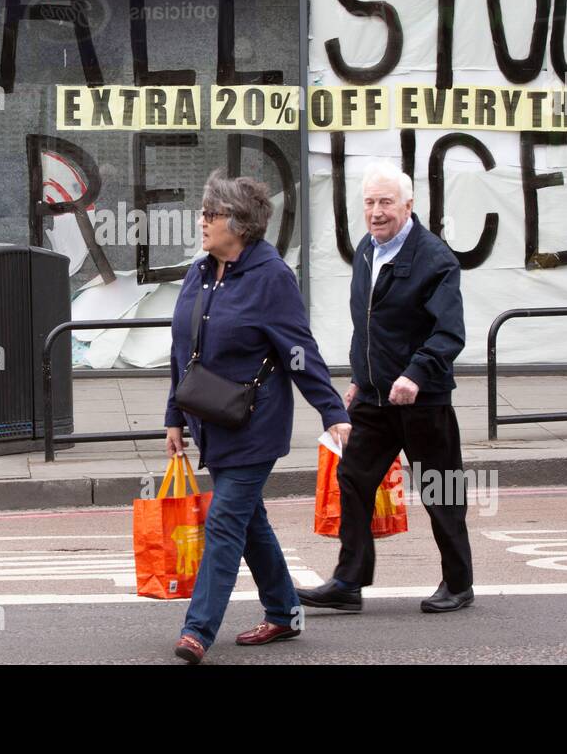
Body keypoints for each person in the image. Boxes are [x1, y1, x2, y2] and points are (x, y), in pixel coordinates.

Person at [165, 171, 351, 664]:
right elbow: (180, 348)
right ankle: (285, 612)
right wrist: (174, 418)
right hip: (210, 420)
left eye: (211, 214)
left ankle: (197, 631)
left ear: (240, 224)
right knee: (250, 524)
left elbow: (299, 350)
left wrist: (332, 410)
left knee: (225, 521)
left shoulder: (272, 279)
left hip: (254, 425)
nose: (202, 221)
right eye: (203, 213)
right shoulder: (201, 271)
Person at [295, 161, 474, 615]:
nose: (376, 212)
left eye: (386, 203)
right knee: (353, 479)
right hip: (375, 398)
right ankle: (349, 582)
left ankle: (459, 582)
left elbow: (449, 333)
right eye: (370, 202)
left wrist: (415, 374)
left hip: (423, 399)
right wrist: (359, 377)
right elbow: (367, 325)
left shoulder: (435, 259)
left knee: (440, 489)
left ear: (409, 206)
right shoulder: (367, 250)